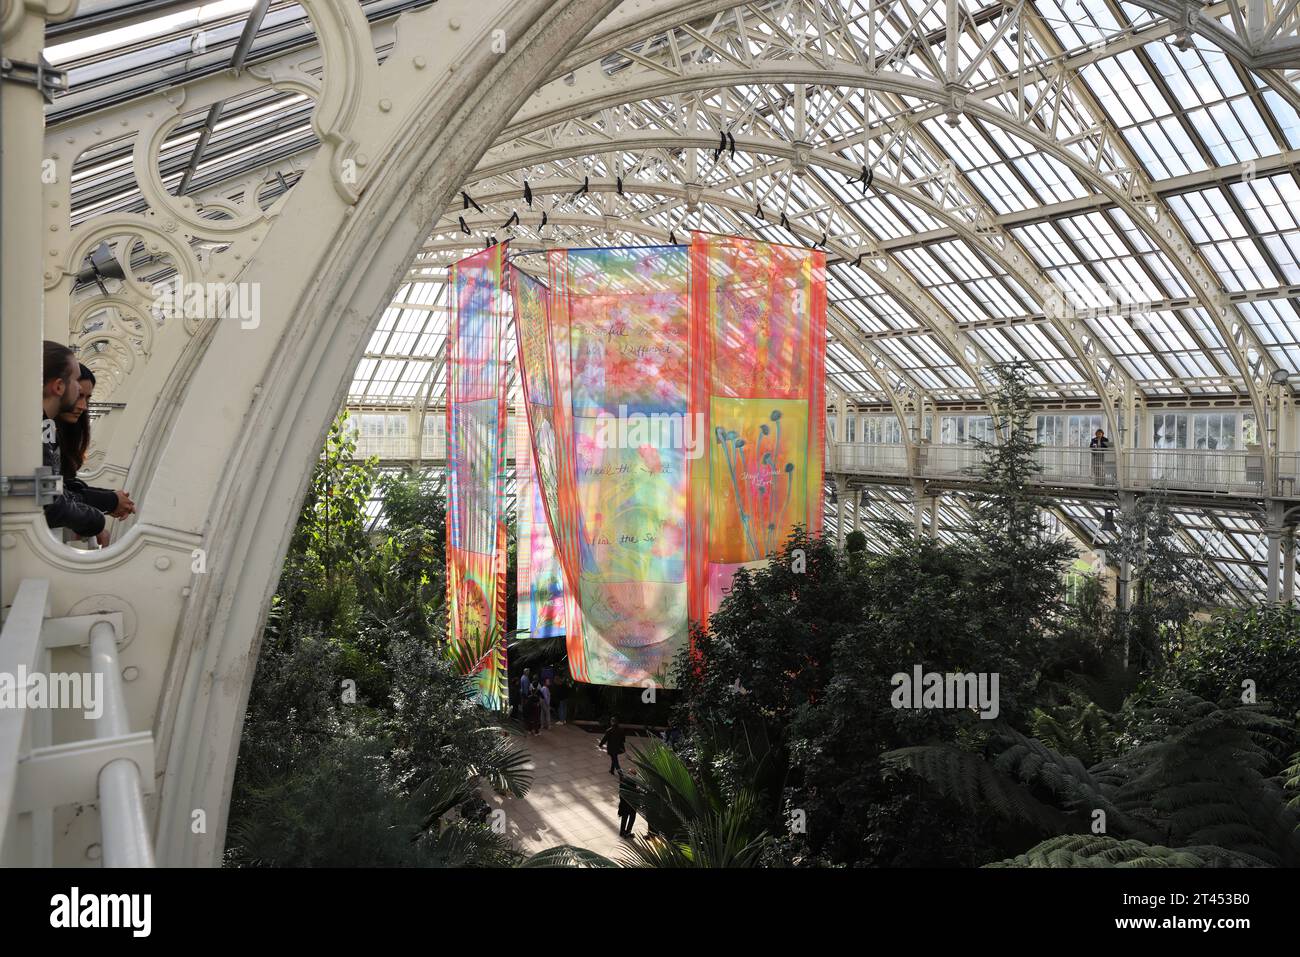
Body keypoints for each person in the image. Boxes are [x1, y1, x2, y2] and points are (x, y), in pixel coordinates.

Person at [40, 342, 105, 543]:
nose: (79, 389)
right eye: (77, 381)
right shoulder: (36, 434)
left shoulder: (44, 428)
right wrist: (97, 519)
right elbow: (49, 501)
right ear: (59, 386)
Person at [56, 364, 136, 525]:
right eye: (77, 395)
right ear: (57, 388)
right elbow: (53, 501)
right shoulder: (43, 434)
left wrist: (110, 498)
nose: (83, 406)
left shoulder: (59, 432)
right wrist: (108, 503)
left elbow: (63, 487)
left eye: (87, 398)